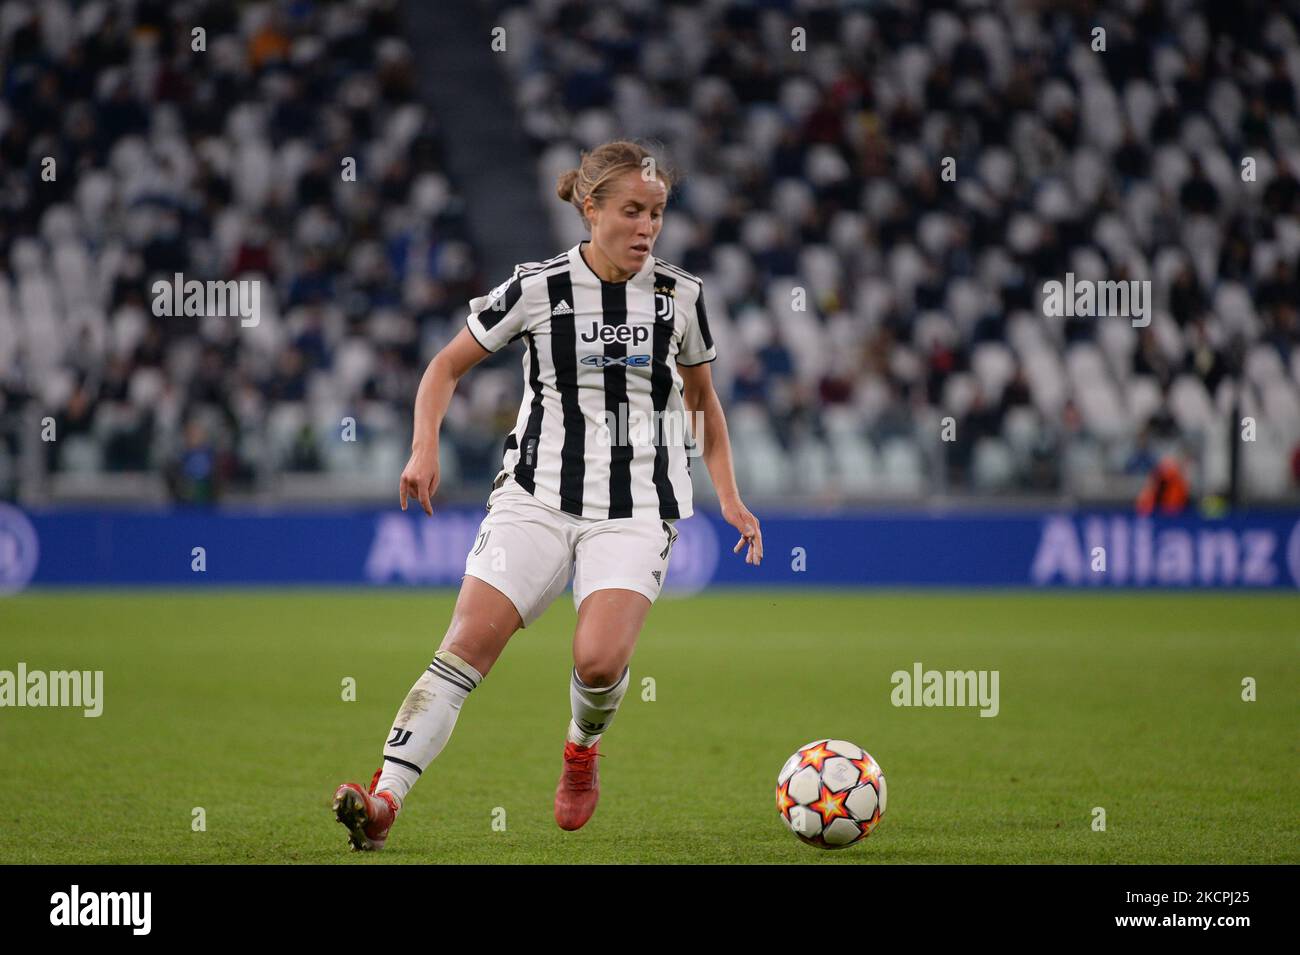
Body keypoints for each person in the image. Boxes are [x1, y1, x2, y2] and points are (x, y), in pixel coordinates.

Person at [333, 140, 763, 850]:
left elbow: (702, 403)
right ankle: (384, 801)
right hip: (534, 498)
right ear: (590, 209)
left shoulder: (680, 296)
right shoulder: (537, 287)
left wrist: (730, 495)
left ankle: (579, 749)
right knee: (466, 643)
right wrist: (423, 443)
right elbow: (445, 366)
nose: (646, 227)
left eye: (656, 212)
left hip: (635, 509)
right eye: (632, 210)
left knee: (598, 661)